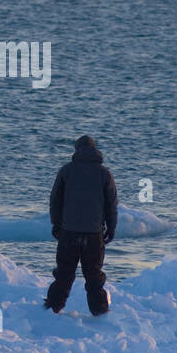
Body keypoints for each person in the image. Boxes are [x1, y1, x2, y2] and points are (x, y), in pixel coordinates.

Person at [45, 135, 118, 316]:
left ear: (77, 150)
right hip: (94, 234)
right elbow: (111, 205)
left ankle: (51, 311)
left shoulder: (66, 171)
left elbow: (55, 201)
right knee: (94, 276)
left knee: (64, 274)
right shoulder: (104, 173)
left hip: (69, 232)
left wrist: (56, 224)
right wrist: (112, 227)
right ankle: (100, 313)